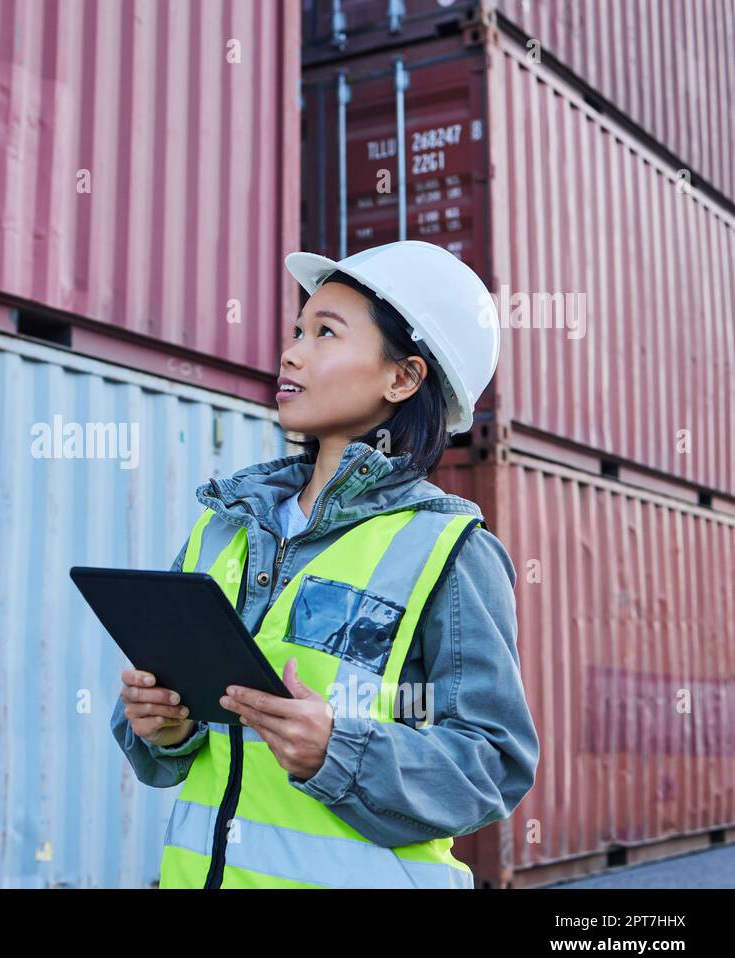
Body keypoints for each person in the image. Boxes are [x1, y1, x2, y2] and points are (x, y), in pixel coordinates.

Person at [111, 240, 540, 888]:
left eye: (326, 332)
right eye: (297, 329)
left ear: (403, 377)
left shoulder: (448, 548)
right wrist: (161, 726)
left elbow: (493, 761)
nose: (291, 351)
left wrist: (339, 752)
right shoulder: (225, 524)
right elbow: (167, 754)